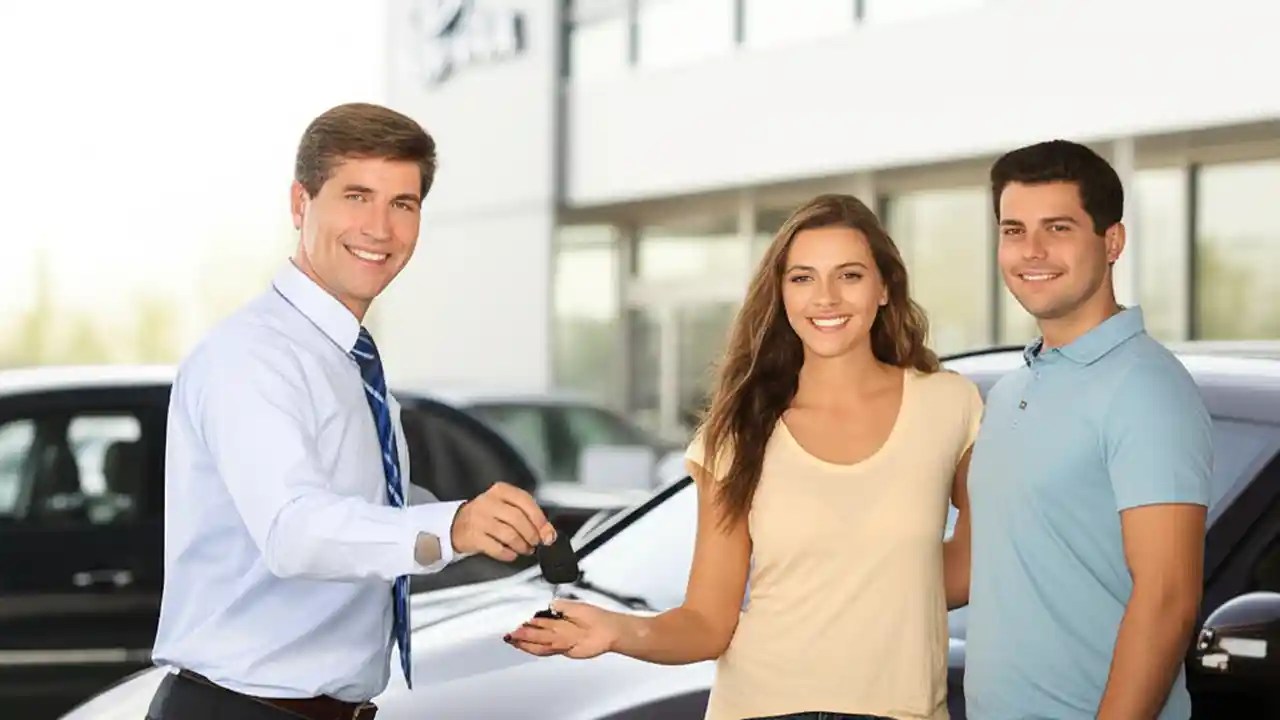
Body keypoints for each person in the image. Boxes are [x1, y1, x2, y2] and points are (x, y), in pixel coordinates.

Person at [146, 102, 557, 720]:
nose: (380, 228)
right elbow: (295, 530)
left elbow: (358, 505)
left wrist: (476, 525)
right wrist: (452, 527)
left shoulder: (347, 358)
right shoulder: (253, 356)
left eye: (403, 204)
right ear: (299, 203)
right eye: (356, 196)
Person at [507, 194, 984, 720]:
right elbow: (708, 622)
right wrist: (619, 631)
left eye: (848, 275)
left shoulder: (948, 404)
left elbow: (983, 557)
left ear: (884, 287)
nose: (825, 298)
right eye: (802, 278)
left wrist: (891, 586)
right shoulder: (738, 429)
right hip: (761, 707)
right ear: (780, 294)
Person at [961, 140, 1212, 719]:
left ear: (1113, 240)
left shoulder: (1147, 389)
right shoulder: (1011, 390)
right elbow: (983, 565)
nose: (1032, 251)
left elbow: (1169, 597)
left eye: (1058, 227)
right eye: (1013, 230)